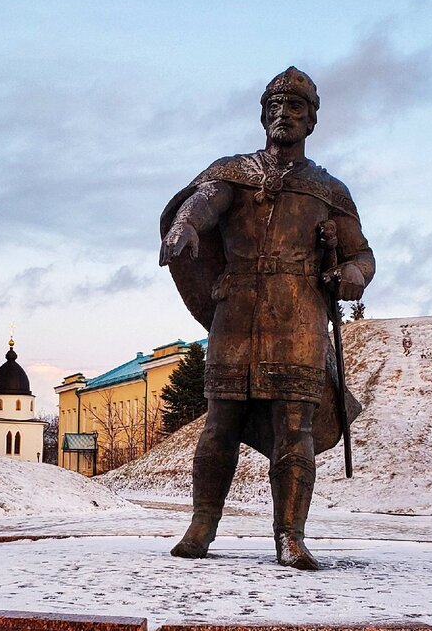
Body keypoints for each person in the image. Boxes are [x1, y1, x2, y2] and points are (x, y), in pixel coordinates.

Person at [159, 66, 374, 570]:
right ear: (263, 115)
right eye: (275, 106)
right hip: (236, 310)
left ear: (311, 120)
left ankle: (290, 535)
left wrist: (353, 275)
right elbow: (202, 203)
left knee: (294, 426)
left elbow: (363, 255)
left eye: (295, 107)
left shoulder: (329, 190)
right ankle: (201, 525)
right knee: (219, 425)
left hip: (298, 312)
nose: (284, 115)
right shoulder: (234, 173)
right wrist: (186, 226)